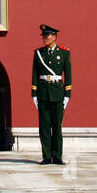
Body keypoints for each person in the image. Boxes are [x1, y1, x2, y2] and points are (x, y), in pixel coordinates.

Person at [31, 23, 72, 165]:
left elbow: (68, 75)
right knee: (44, 126)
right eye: (44, 36)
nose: (44, 38)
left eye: (47, 36)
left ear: (54, 37)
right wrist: (34, 93)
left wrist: (67, 95)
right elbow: (35, 73)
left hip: (58, 93)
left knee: (56, 126)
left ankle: (57, 155)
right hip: (43, 92)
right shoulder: (38, 53)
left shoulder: (64, 53)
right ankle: (47, 156)